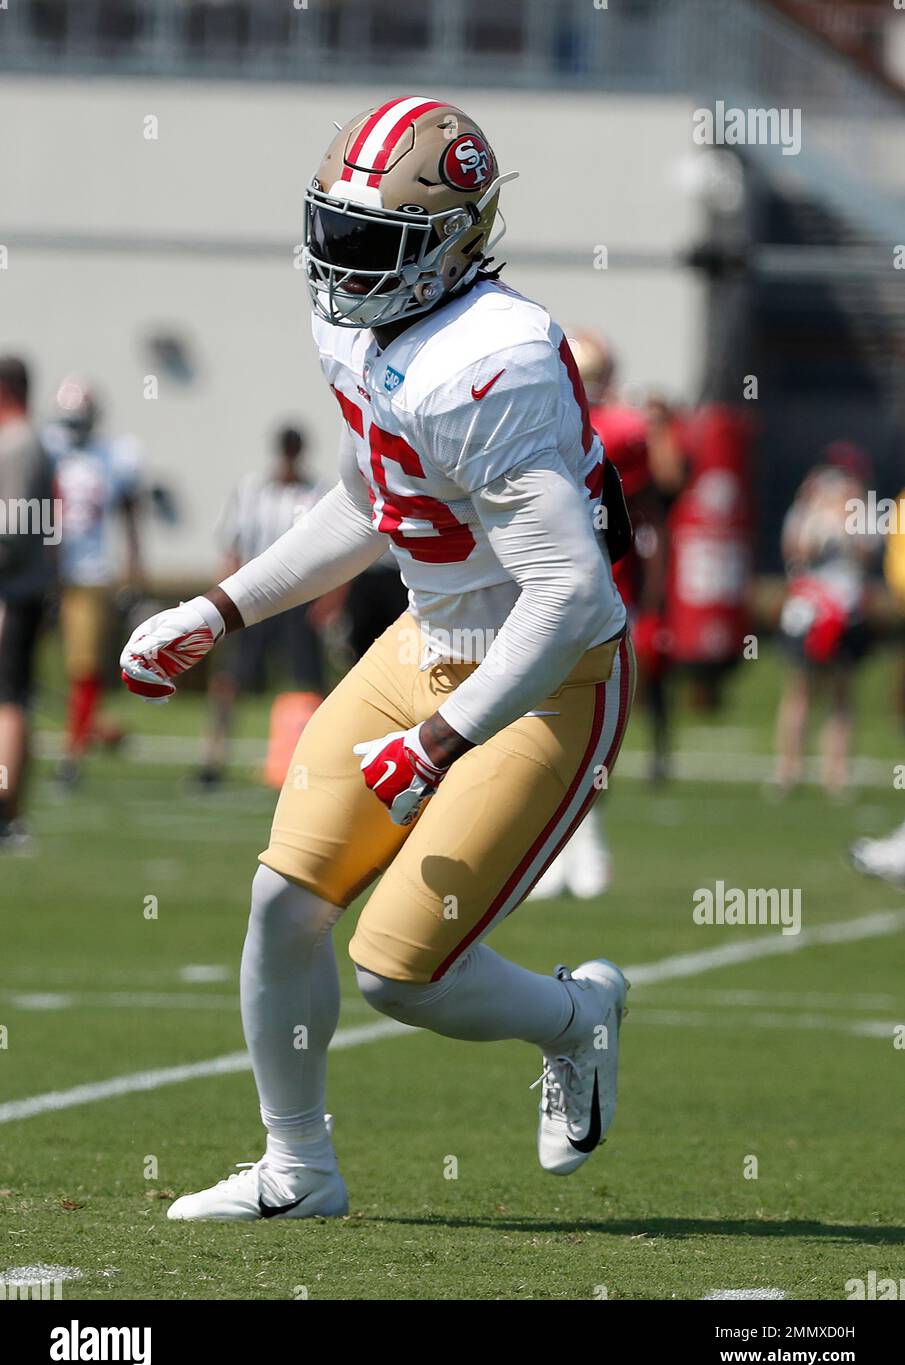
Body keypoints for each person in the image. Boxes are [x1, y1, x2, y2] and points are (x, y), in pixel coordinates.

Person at [120, 96, 635, 1221]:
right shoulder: (363, 329)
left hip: (545, 680)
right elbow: (376, 497)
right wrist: (223, 604)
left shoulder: (494, 359)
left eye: (374, 244)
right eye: (332, 231)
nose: (341, 264)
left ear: (454, 238)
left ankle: (576, 1016)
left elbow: (568, 591)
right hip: (422, 640)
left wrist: (444, 738)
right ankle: (296, 1169)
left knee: (399, 972)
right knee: (280, 902)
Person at [197, 424, 327, 786]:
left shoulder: (316, 493)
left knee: (308, 683)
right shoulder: (252, 491)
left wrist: (328, 602)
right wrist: (220, 602)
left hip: (299, 597)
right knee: (229, 679)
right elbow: (232, 547)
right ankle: (212, 757)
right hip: (252, 594)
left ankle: (313, 761)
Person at [42, 378, 144, 784]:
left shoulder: (114, 455)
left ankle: (73, 754)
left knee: (83, 668)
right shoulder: (46, 450)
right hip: (41, 574)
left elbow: (130, 511)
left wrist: (135, 567)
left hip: (88, 574)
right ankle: (85, 730)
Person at [772, 444, 875, 799]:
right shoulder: (806, 509)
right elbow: (796, 553)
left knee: (841, 692)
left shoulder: (860, 510)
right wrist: (817, 510)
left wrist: (848, 515)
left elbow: (865, 556)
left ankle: (836, 773)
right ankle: (788, 769)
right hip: (809, 610)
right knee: (799, 689)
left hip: (845, 609)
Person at [0, 356, 55, 851]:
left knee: (9, 699)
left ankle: (5, 808)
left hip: (11, 593)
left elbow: (12, 531)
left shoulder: (18, 444)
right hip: (23, 589)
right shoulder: (29, 443)